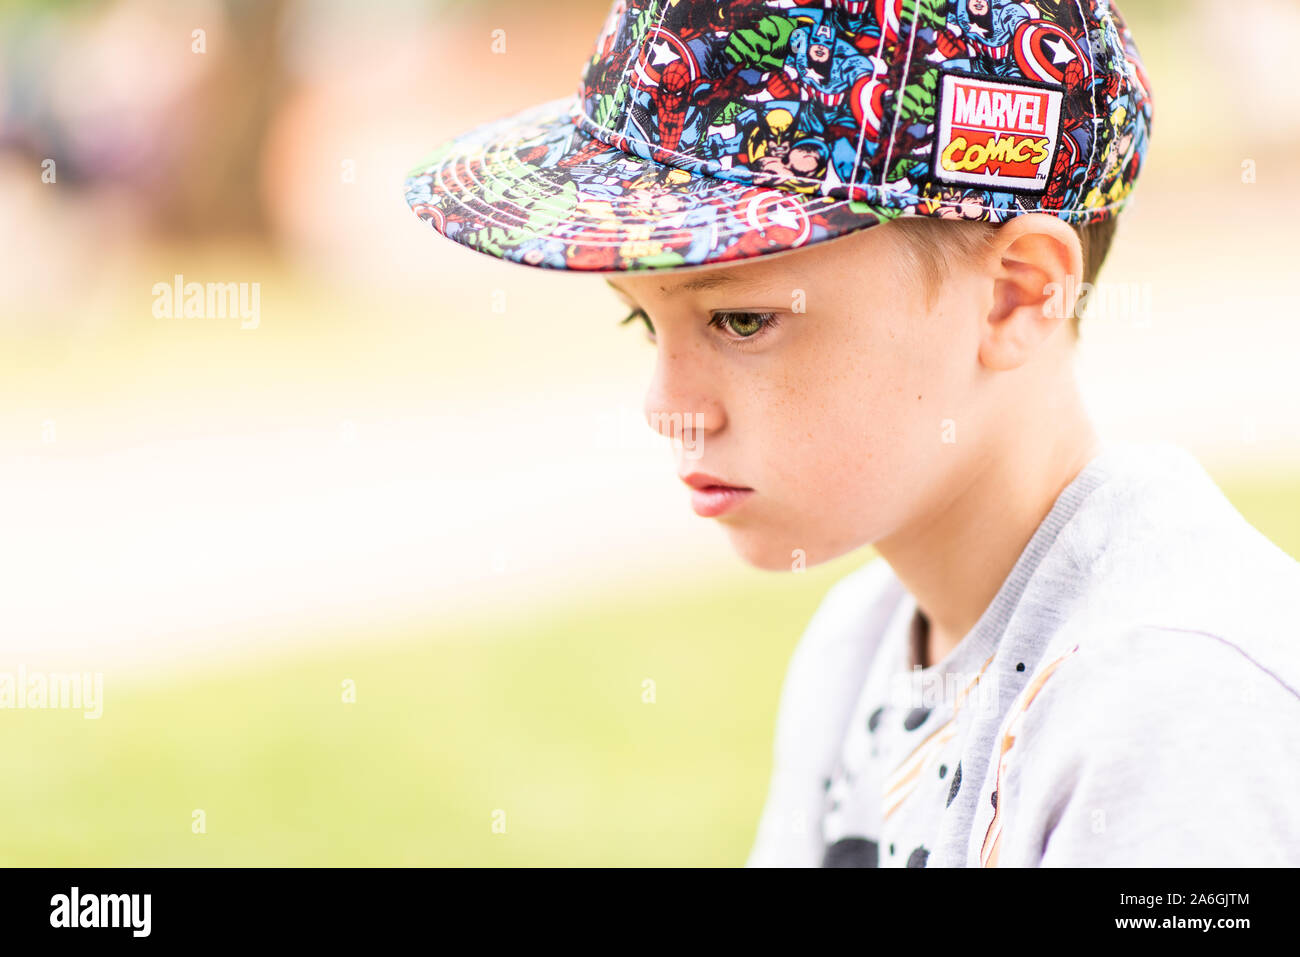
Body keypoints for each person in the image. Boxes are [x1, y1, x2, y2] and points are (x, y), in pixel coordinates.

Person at [402, 0, 1300, 866]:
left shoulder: (1178, 704)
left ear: (1016, 293)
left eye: (741, 321)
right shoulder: (858, 647)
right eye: (643, 322)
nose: (666, 405)